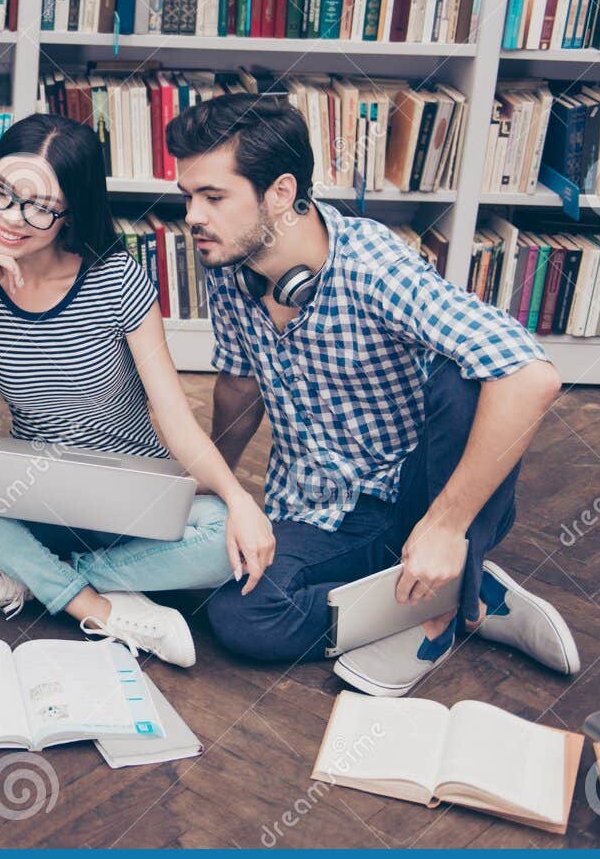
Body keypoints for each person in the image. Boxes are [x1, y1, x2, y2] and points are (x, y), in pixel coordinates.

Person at [169, 92, 578, 696]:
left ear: (281, 193)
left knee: (467, 377)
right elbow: (238, 382)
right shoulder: (227, 267)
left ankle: (441, 598)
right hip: (318, 508)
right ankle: (467, 593)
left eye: (213, 197)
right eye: (188, 197)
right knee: (240, 616)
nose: (193, 217)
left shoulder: (373, 264)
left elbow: (531, 375)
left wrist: (445, 525)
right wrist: (216, 489)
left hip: (422, 494)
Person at [0, 114, 275, 668]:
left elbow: (173, 416)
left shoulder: (118, 280)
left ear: (71, 211)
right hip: (34, 495)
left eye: (39, 206)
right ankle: (94, 605)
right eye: (2, 193)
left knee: (220, 538)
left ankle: (26, 576)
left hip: (129, 500)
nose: (11, 219)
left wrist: (236, 499)